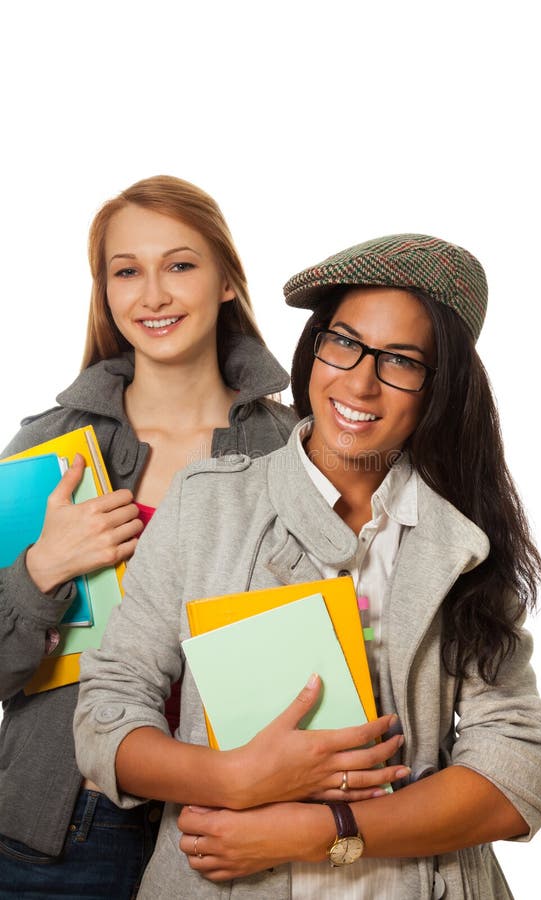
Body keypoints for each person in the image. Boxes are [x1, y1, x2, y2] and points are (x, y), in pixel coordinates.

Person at [73, 234, 541, 899]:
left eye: (400, 360)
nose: (359, 380)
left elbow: (517, 771)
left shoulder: (463, 541)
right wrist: (235, 779)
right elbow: (108, 709)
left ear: (439, 388)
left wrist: (323, 829)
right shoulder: (207, 503)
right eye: (344, 342)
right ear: (314, 346)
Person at [0, 174, 305, 898]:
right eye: (126, 271)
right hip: (59, 829)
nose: (154, 295)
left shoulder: (299, 452)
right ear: (104, 292)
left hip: (239, 824)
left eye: (181, 265)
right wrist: (40, 570)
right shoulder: (46, 454)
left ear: (227, 279)